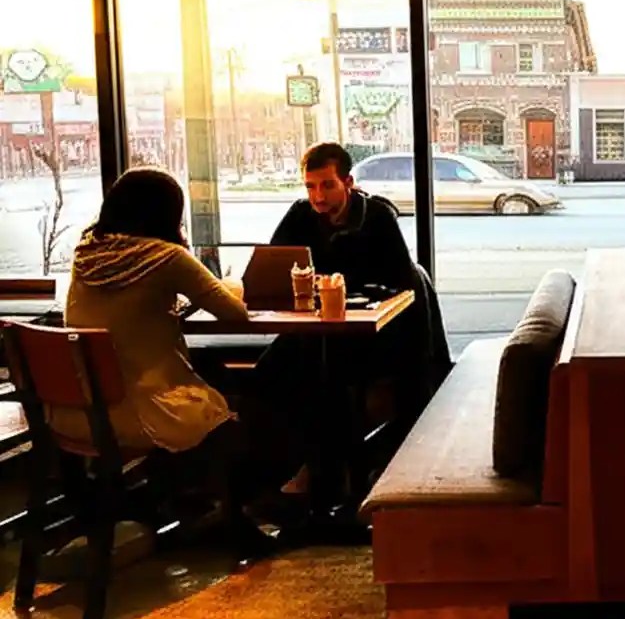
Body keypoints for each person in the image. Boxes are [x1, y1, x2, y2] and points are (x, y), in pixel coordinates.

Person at [63, 167, 290, 557]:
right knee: (254, 418)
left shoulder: (87, 254)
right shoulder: (165, 256)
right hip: (137, 413)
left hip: (74, 411)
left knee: (213, 380)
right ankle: (228, 517)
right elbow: (234, 312)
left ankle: (175, 504)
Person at [263, 143, 445, 500]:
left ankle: (324, 474)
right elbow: (275, 264)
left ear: (348, 182)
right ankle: (301, 472)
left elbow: (397, 279)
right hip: (319, 330)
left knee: (325, 372)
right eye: (310, 186)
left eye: (327, 185)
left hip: (381, 332)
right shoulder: (300, 216)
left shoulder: (376, 217)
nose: (318, 196)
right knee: (271, 373)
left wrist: (346, 287)